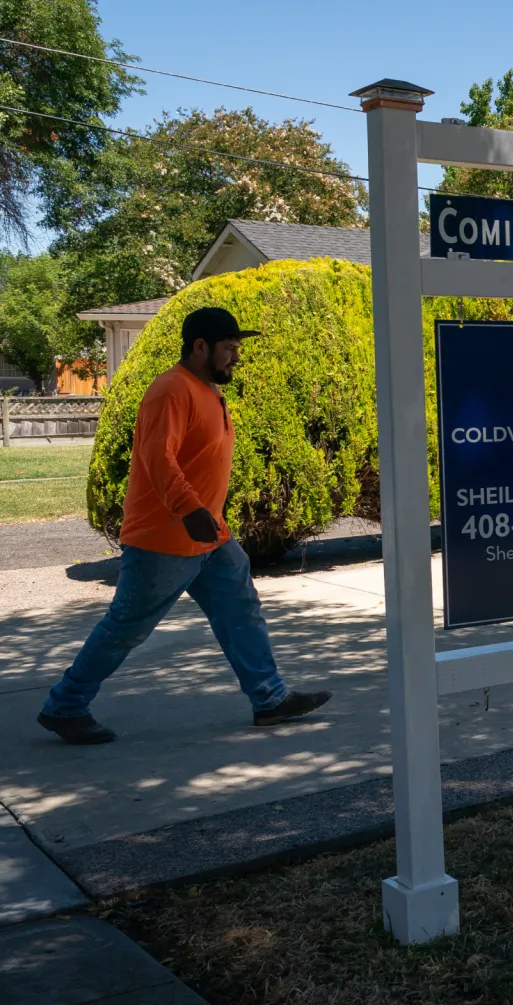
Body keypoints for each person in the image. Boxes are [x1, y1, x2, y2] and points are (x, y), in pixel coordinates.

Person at [37, 307, 331, 745]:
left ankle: (269, 699)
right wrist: (189, 509)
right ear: (200, 347)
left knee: (241, 610)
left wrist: (206, 515)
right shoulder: (171, 390)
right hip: (164, 538)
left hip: (210, 537)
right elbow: (158, 457)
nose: (236, 357)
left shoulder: (207, 390)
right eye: (229, 348)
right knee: (127, 626)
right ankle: (65, 706)